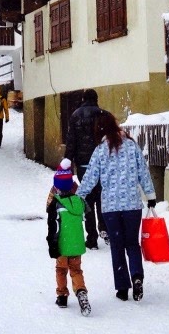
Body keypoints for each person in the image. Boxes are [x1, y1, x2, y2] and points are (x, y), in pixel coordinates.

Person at [76, 112, 156, 303]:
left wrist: (79, 197)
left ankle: (122, 288)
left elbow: (90, 177)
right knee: (132, 244)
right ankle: (137, 276)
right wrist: (150, 195)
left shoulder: (100, 150)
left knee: (117, 247)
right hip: (132, 206)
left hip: (111, 208)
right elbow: (143, 172)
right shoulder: (131, 146)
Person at [63, 88, 108, 248]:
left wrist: (67, 161)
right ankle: (105, 228)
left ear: (83, 99)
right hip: (102, 165)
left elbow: (71, 141)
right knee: (103, 196)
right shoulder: (104, 115)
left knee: (88, 199)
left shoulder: (75, 116)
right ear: (96, 99)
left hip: (84, 165)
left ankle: (92, 239)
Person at [46, 159, 91, 316]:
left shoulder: (56, 204)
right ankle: (81, 292)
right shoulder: (79, 201)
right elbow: (88, 212)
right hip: (77, 244)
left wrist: (51, 243)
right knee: (76, 270)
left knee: (61, 269)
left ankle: (62, 296)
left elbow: (52, 224)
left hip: (62, 244)